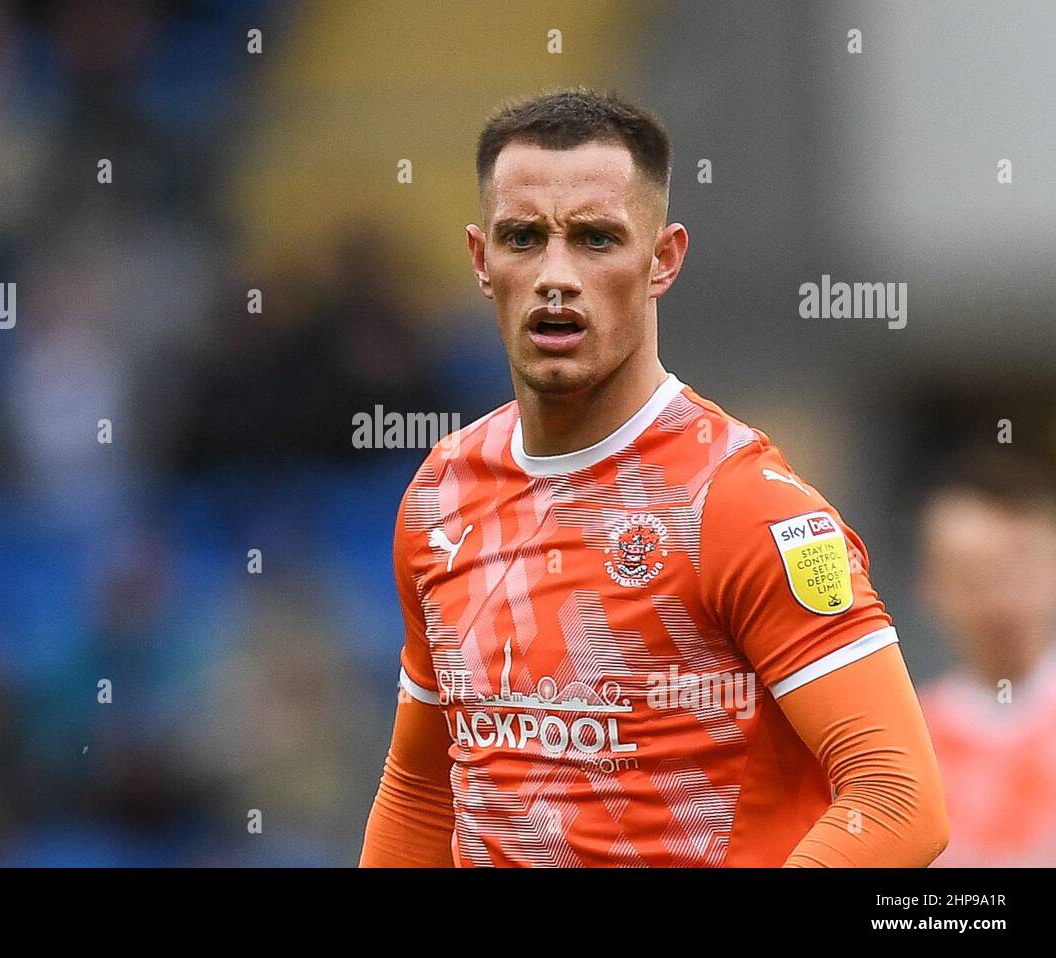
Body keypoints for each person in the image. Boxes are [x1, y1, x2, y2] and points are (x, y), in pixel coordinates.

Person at [359, 89, 948, 867]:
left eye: (597, 239)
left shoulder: (739, 505)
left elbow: (897, 798)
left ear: (663, 259)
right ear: (480, 260)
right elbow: (422, 789)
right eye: (524, 238)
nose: (555, 277)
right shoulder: (441, 494)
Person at [916, 451, 1056, 866]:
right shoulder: (904, 744)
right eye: (973, 577)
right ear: (931, 588)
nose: (999, 602)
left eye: (1018, 569)